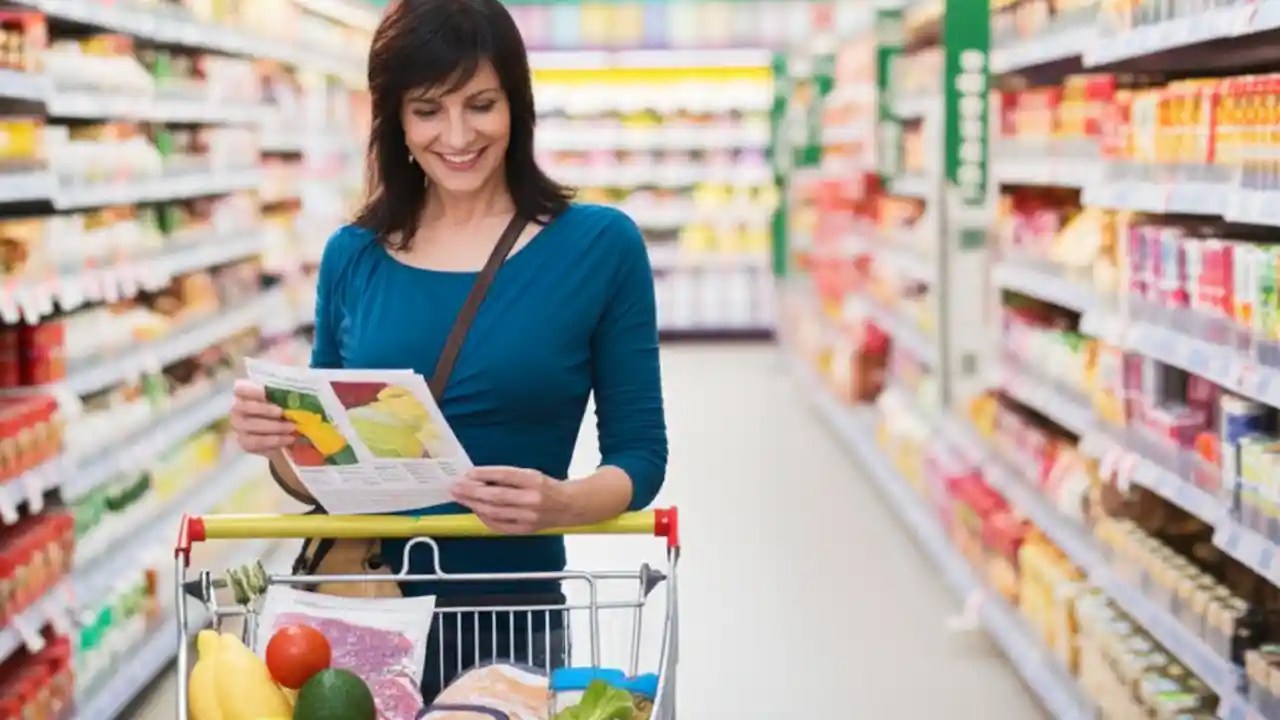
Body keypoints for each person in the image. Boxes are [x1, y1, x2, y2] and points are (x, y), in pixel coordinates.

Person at [227, 0, 667, 701]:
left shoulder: (599, 246)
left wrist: (564, 503)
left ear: (517, 107)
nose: (457, 135)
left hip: (510, 613)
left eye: (481, 104)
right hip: (357, 612)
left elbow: (641, 457)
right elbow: (319, 471)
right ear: (396, 120)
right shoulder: (355, 255)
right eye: (428, 109)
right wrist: (278, 443)